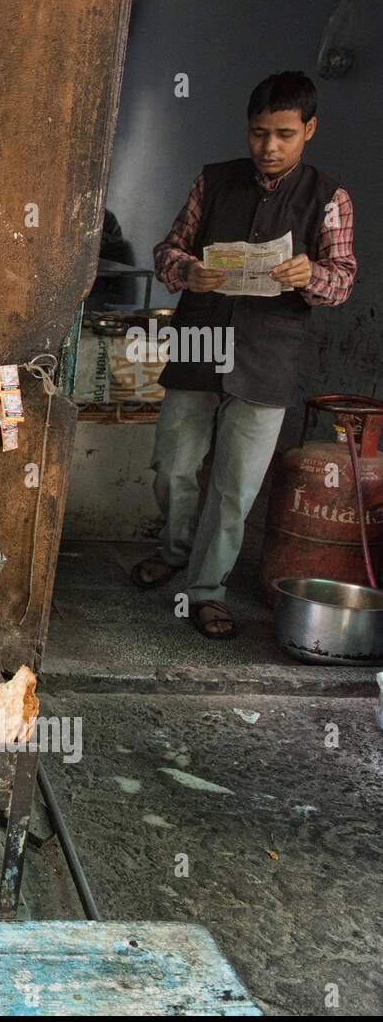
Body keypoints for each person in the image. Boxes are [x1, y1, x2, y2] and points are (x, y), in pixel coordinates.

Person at [134, 71, 356, 638]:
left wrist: (312, 275)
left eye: (284, 133)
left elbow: (343, 279)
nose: (269, 147)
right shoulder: (213, 182)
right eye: (259, 133)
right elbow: (167, 251)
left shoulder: (330, 198)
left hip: (267, 357)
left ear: (310, 129)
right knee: (174, 466)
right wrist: (189, 271)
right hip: (199, 343)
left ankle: (206, 589)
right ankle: (177, 549)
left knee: (236, 487)